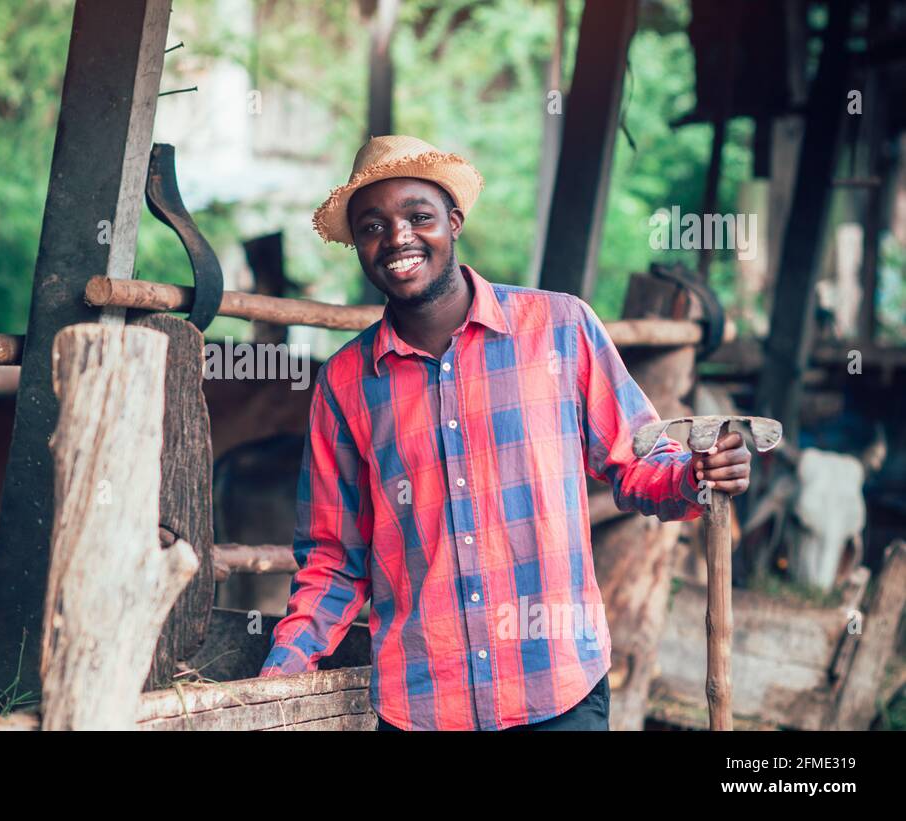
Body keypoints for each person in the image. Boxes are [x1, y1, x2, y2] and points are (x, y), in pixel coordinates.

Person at [258, 135, 753, 731]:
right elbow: (334, 558)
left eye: (419, 216)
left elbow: (638, 460)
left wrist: (697, 476)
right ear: (360, 246)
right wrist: (277, 680)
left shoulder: (560, 329)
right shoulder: (344, 384)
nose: (397, 238)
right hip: (424, 707)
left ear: (454, 221)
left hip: (556, 690)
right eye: (372, 226)